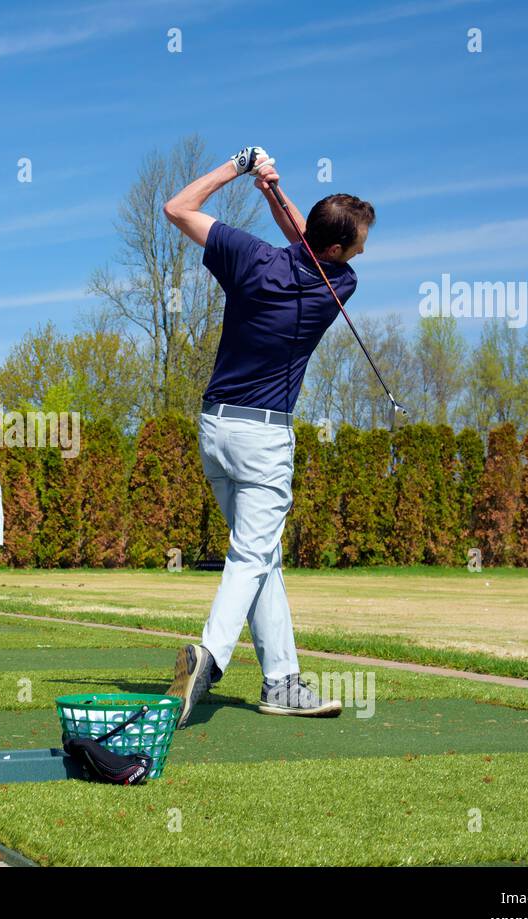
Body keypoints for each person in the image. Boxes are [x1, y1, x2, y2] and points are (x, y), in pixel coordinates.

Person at [162, 145, 376, 725]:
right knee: (252, 553)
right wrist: (271, 194)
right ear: (338, 253)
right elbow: (311, 245)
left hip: (214, 429)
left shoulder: (250, 256)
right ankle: (208, 655)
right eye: (358, 244)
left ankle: (282, 682)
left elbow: (177, 207)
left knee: (263, 560)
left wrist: (241, 171)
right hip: (263, 439)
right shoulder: (339, 286)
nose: (361, 254)